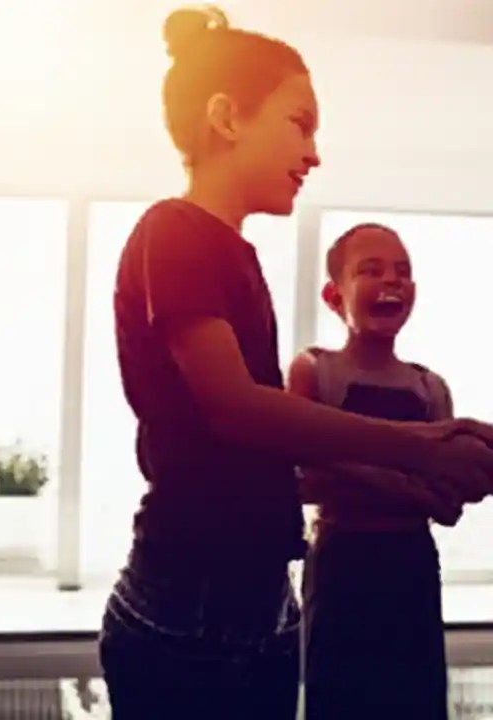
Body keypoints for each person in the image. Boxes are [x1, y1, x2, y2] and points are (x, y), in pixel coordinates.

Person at [99, 6, 493, 717]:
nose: (314, 152)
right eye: (300, 123)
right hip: (192, 597)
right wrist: (423, 449)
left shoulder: (235, 254)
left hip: (254, 592)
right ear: (226, 117)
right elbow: (237, 407)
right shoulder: (173, 230)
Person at [291, 224, 457, 719]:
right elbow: (296, 478)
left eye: (403, 272)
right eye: (371, 269)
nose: (392, 280)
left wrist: (340, 462)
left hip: (411, 567)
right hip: (341, 565)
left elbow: (447, 503)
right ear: (333, 294)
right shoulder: (314, 371)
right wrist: (407, 475)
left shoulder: (430, 387)